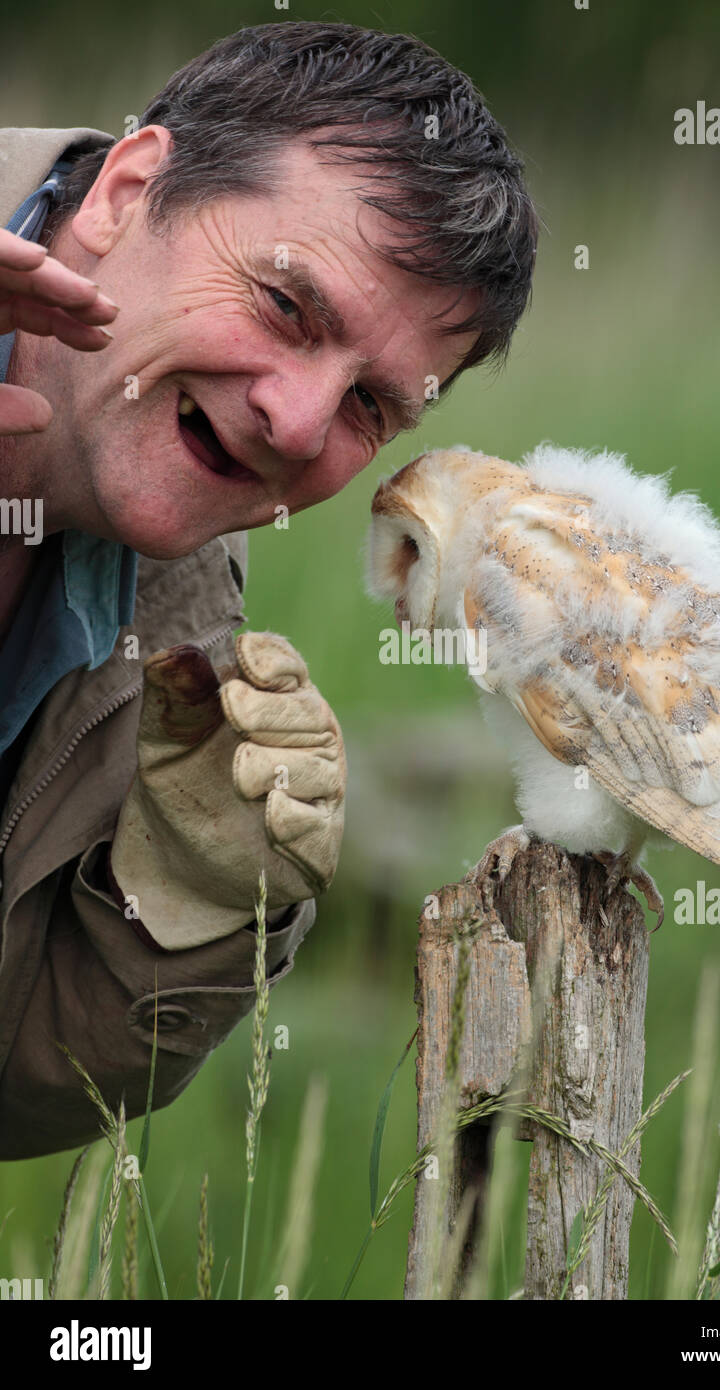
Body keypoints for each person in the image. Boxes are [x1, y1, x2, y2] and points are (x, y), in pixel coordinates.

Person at [0, 20, 538, 1159]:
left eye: (368, 408)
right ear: (129, 190)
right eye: (288, 307)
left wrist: (186, 904)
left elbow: (15, 1087)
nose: (295, 424)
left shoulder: (180, 603)